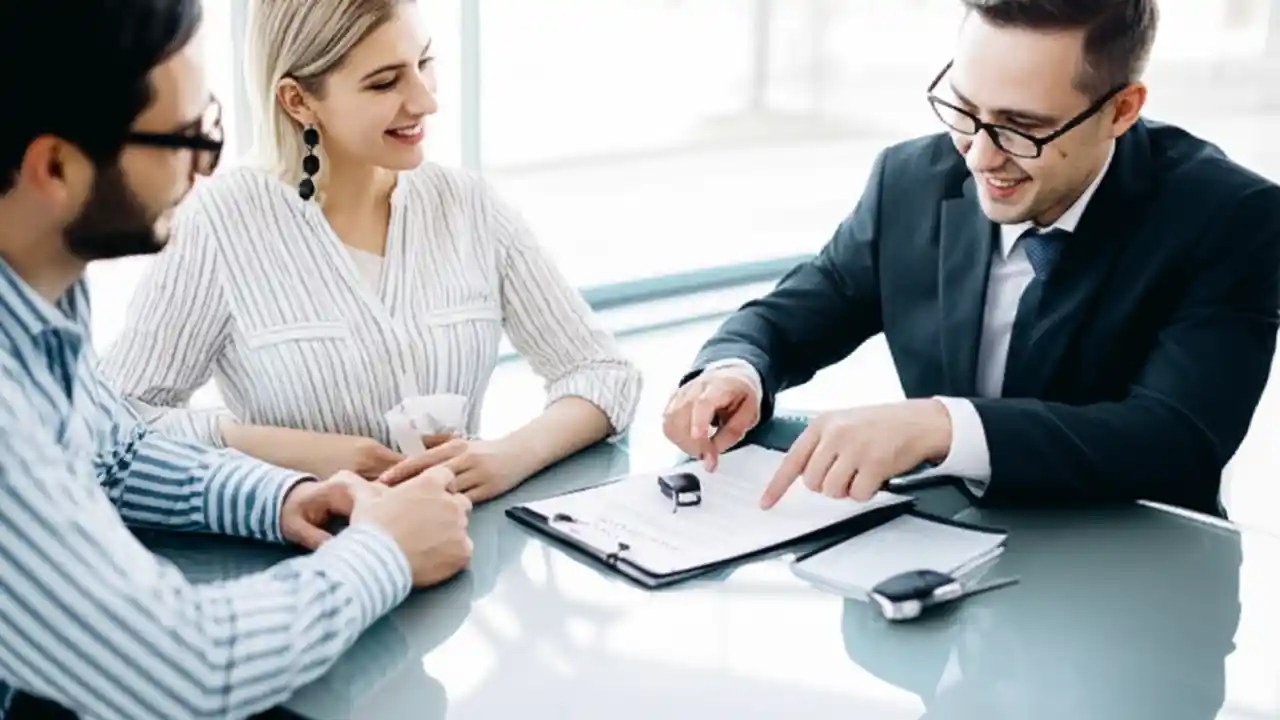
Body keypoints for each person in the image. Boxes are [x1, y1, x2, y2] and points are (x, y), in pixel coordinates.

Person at [0, 2, 473, 718]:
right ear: (56, 166)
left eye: (213, 122)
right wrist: (385, 553)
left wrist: (281, 498)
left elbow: (114, 453)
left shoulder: (41, 294)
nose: (206, 168)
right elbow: (182, 670)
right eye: (187, 138)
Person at [663, 0, 1280, 516]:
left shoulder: (1229, 218)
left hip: (1139, 581)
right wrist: (735, 370)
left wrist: (942, 427)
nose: (979, 157)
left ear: (1121, 110)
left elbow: (1175, 441)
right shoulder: (907, 181)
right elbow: (801, 310)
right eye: (964, 108)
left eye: (1021, 127)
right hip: (937, 557)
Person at [99, 0, 641, 502]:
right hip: (303, 567)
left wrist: (506, 457)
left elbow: (602, 373)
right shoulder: (219, 225)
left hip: (459, 551)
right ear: (298, 100)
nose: (426, 100)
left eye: (424, 62)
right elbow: (112, 424)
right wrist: (290, 451)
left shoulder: (470, 207)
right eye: (385, 83)